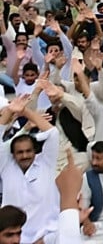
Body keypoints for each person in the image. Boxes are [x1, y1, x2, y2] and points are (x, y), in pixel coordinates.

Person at [0, 94, 60, 244]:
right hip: (13, 238)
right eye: (20, 152)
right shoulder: (6, 166)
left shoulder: (47, 163)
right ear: (12, 154)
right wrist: (9, 111)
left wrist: (26, 111)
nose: (25, 155)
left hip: (47, 237)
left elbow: (53, 133)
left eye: (28, 151)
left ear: (35, 151)